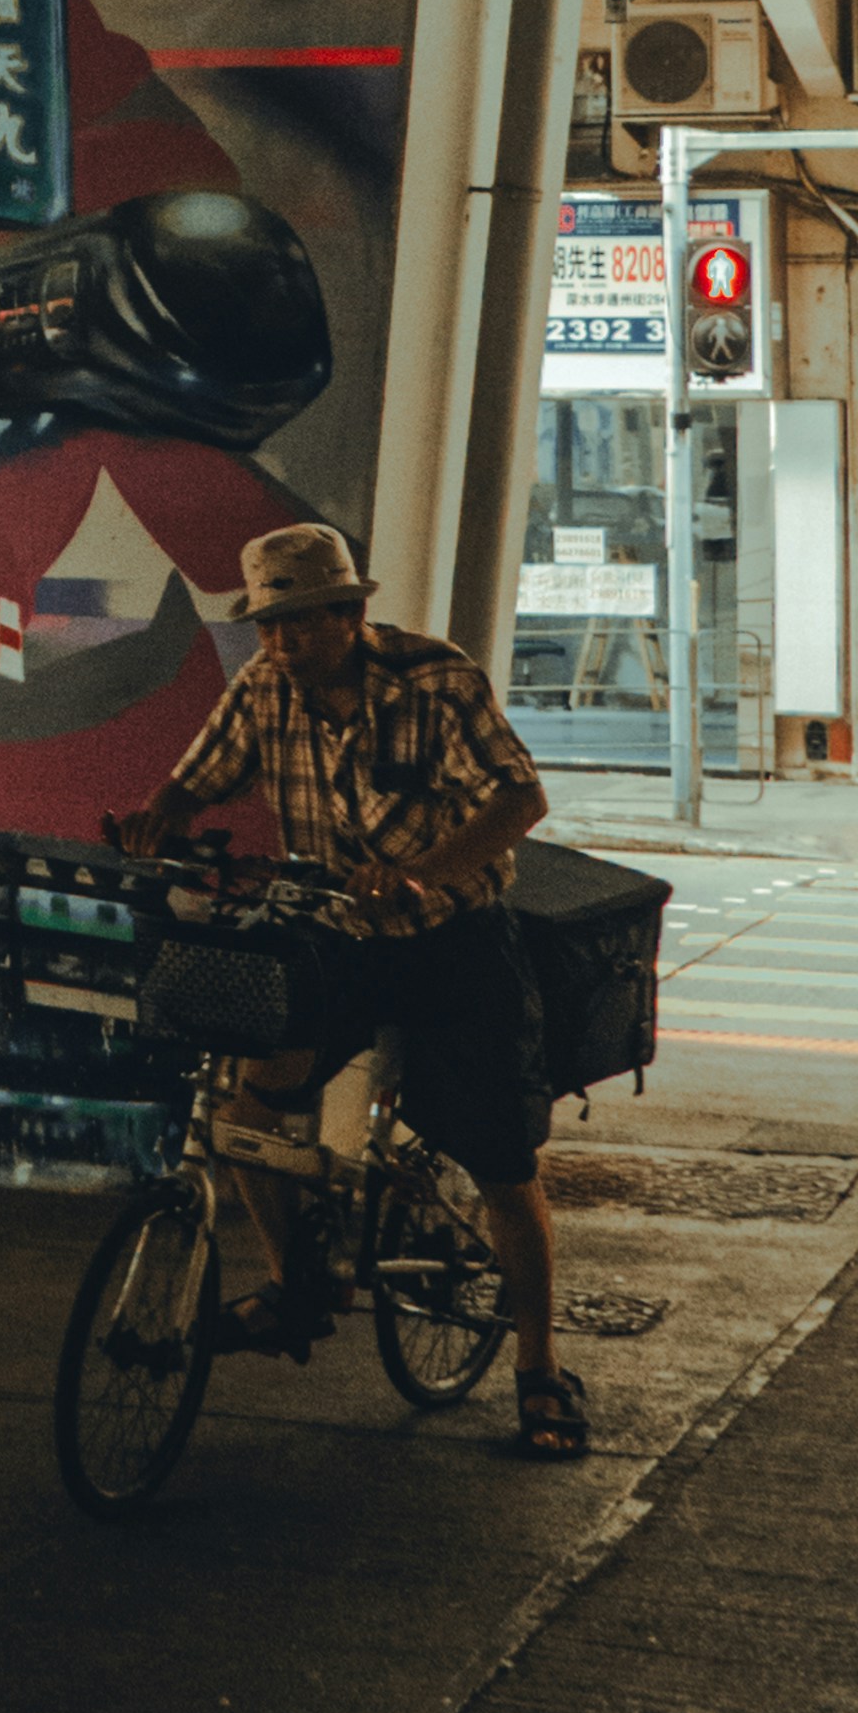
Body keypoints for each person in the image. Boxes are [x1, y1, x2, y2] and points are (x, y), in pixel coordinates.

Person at [118, 521, 587, 1460]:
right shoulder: (264, 688)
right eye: (269, 626)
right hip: (338, 936)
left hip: (456, 942)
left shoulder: (435, 682)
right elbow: (195, 780)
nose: (282, 644)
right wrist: (158, 818)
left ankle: (540, 1367)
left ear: (350, 612)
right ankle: (302, 1285)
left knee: (503, 1159)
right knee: (248, 1108)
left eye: (301, 623)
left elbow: (517, 799)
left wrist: (423, 871)